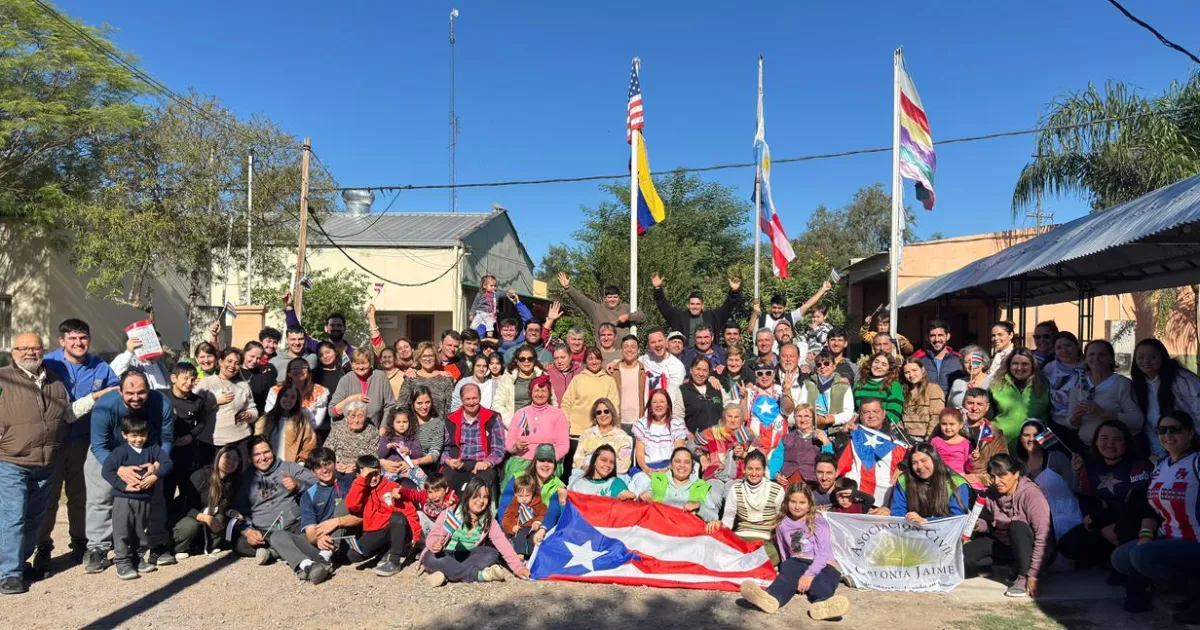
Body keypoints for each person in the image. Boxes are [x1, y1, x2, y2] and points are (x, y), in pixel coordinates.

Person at [38, 320, 118, 570]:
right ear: (62, 341)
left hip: (85, 441)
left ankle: (80, 541)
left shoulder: (100, 367)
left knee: (81, 496)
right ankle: (43, 546)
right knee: (48, 498)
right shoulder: (49, 364)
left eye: (83, 338)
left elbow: (116, 392)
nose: (78, 343)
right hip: (53, 441)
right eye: (72, 338)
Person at [0, 332, 74, 594]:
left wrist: (99, 398)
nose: (31, 352)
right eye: (25, 348)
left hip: (46, 462)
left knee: (34, 517)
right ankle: (8, 573)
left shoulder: (56, 382)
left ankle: (19, 563)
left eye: (36, 348)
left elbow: (69, 413)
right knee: (13, 517)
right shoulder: (3, 379)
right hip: (11, 460)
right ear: (13, 351)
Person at [1111, 410, 1200, 622]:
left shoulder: (1196, 462)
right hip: (1169, 538)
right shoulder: (1161, 466)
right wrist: (1145, 537)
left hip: (1194, 541)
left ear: (1190, 433)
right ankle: (1187, 593)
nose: (1168, 435)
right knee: (1121, 558)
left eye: (1175, 429)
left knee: (1142, 556)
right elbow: (1151, 510)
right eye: (1162, 430)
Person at [84, 370, 175, 575]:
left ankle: (157, 543)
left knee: (154, 492)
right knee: (101, 496)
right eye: (129, 393)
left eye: (141, 392)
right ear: (120, 391)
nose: (136, 398)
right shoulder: (105, 406)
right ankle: (98, 547)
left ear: (149, 390)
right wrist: (117, 468)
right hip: (108, 449)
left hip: (147, 448)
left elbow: (167, 439)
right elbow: (98, 444)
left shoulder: (162, 404)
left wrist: (157, 465)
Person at [739, 482, 849, 620]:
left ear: (809, 504)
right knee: (787, 577)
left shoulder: (819, 522)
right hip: (798, 561)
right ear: (787, 502)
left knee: (824, 581)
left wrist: (809, 575)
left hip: (823, 564)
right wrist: (786, 571)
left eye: (802, 502)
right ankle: (771, 599)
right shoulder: (783, 524)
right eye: (793, 501)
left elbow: (823, 553)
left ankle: (822, 604)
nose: (797, 506)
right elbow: (785, 551)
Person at [1058, 421, 1152, 571]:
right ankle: (1111, 560)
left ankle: (1128, 565)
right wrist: (1100, 525)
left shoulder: (1139, 465)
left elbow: (1139, 503)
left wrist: (1101, 518)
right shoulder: (1091, 466)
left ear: (1126, 442)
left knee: (1124, 530)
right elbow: (1087, 499)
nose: (1110, 444)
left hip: (1133, 521)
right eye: (1104, 438)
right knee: (1069, 543)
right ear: (1095, 441)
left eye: (1117, 439)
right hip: (1104, 521)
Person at [964, 454, 1055, 598]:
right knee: (965, 555)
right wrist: (978, 524)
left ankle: (1022, 576)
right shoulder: (990, 494)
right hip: (1008, 545)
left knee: (1017, 526)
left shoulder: (1031, 494)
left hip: (1037, 549)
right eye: (993, 476)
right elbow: (989, 526)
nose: (997, 481)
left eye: (1002, 475)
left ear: (1016, 473)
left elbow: (1044, 537)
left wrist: (1033, 574)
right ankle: (1015, 564)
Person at [261, 448, 352, 584]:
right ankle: (309, 566)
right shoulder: (308, 495)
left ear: (335, 463)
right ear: (313, 472)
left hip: (345, 542)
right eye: (318, 467)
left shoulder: (348, 484)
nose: (324, 470)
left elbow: (359, 517)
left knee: (343, 506)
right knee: (277, 535)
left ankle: (321, 560)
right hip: (321, 546)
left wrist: (336, 522)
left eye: (327, 463)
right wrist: (318, 539)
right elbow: (310, 532)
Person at [102, 415, 173, 579]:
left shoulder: (152, 449)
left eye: (142, 435)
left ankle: (138, 558)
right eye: (134, 435)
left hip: (145, 498)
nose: (139, 439)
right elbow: (107, 471)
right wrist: (123, 486)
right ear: (124, 435)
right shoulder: (119, 452)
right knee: (122, 530)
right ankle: (122, 561)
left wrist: (155, 476)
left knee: (140, 530)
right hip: (123, 498)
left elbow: (167, 463)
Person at [421, 477, 529, 586]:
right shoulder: (451, 512)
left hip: (467, 556)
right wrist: (434, 544)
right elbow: (433, 536)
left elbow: (504, 545)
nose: (481, 501)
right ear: (468, 495)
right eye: (476, 496)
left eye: (485, 497)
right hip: (446, 554)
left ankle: (447, 573)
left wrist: (518, 568)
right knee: (430, 557)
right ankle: (478, 575)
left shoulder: (489, 521)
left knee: (492, 554)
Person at [228, 436, 316, 562]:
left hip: (292, 527)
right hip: (264, 533)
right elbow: (239, 511)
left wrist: (298, 484)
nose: (263, 458)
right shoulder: (245, 479)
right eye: (257, 454)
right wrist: (249, 532)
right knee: (239, 544)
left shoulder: (289, 468)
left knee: (310, 535)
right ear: (249, 458)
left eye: (266, 452)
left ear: (273, 451)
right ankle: (282, 549)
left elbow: (318, 485)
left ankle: (273, 552)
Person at [344, 455, 421, 578]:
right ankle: (385, 551)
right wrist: (361, 481)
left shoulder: (392, 487)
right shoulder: (361, 488)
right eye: (369, 475)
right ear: (360, 475)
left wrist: (415, 536)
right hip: (375, 533)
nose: (373, 478)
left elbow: (409, 512)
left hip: (394, 530)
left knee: (398, 517)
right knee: (353, 555)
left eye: (376, 473)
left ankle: (394, 561)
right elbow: (352, 506)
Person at [708, 451, 784, 564]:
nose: (754, 473)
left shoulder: (777, 490)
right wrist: (718, 524)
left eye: (758, 469)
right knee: (717, 548)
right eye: (750, 469)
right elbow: (728, 520)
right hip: (741, 538)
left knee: (772, 553)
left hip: (766, 540)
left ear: (764, 470)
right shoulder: (735, 489)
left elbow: (781, 522)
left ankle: (745, 566)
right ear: (744, 469)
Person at [1130, 338, 1200, 461]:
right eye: (1140, 357)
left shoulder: (1183, 380)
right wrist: (1159, 453)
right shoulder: (1138, 384)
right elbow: (1149, 424)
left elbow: (1197, 410)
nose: (1146, 361)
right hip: (1162, 449)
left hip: (1190, 444)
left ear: (1163, 357)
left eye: (1153, 357)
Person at [1069, 340, 1143, 449]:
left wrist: (1102, 412)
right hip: (1086, 448)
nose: (1096, 358)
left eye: (1101, 354)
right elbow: (1071, 423)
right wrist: (1075, 417)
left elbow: (1137, 421)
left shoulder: (1122, 384)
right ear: (1085, 358)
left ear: (1111, 358)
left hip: (1115, 450)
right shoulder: (1078, 384)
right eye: (1091, 354)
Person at [170, 445, 240, 559]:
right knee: (190, 526)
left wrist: (230, 512)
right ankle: (177, 547)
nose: (231, 462)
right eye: (227, 457)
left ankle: (203, 545)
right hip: (186, 515)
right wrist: (204, 517)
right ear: (218, 457)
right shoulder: (201, 475)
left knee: (221, 519)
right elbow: (183, 505)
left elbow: (223, 506)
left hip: (207, 515)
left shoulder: (233, 482)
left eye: (235, 459)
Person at [835, 398, 905, 505]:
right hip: (859, 497)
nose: (871, 416)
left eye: (876, 411)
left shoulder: (896, 433)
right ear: (860, 415)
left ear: (883, 412)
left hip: (889, 497)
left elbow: (915, 450)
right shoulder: (852, 432)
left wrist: (903, 465)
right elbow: (840, 458)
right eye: (866, 412)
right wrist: (843, 434)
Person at [162, 362, 208, 520]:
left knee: (187, 493)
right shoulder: (161, 396)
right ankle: (162, 529)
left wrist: (191, 436)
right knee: (164, 493)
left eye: (192, 379)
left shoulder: (197, 401)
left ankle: (182, 526)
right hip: (165, 453)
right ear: (173, 378)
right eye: (185, 378)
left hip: (187, 454)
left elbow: (202, 422)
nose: (189, 382)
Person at [561, 347, 620, 467]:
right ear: (585, 361)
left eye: (597, 358)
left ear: (601, 360)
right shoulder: (578, 379)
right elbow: (566, 403)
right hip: (576, 433)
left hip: (599, 434)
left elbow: (614, 406)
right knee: (575, 470)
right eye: (590, 359)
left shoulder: (609, 380)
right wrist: (566, 423)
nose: (594, 362)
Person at [503, 376, 569, 483]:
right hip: (522, 460)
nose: (539, 394)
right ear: (530, 392)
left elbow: (564, 445)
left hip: (548, 462)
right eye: (536, 390)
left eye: (543, 390)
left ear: (549, 393)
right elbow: (509, 444)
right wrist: (516, 446)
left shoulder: (557, 414)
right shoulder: (520, 413)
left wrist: (546, 460)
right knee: (514, 483)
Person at [441, 383, 505, 493]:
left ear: (480, 398)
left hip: (482, 463)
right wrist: (448, 461)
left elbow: (499, 449)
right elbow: (444, 448)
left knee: (480, 486)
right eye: (467, 399)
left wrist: (487, 462)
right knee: (446, 481)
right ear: (461, 400)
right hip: (459, 463)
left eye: (474, 398)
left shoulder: (493, 418)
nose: (471, 402)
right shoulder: (450, 419)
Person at [193, 347, 257, 455]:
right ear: (221, 362)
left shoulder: (243, 385)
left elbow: (252, 408)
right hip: (212, 441)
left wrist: (249, 415)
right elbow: (194, 409)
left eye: (237, 363)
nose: (232, 366)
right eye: (229, 361)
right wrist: (215, 401)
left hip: (240, 439)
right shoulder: (206, 383)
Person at [889, 443, 972, 522]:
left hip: (945, 533)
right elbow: (897, 512)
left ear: (934, 459)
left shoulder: (957, 483)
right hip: (911, 530)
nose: (919, 466)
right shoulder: (904, 480)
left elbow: (957, 518)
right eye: (914, 463)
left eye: (924, 460)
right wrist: (909, 519)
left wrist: (927, 522)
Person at [651, 272, 742, 343]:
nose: (695, 307)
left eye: (698, 304)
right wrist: (658, 289)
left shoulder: (713, 317)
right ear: (688, 305)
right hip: (686, 356)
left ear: (702, 306)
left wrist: (734, 292)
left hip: (708, 357)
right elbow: (664, 307)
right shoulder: (679, 317)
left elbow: (727, 307)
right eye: (692, 304)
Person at [990, 348, 1051, 451]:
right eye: (1015, 363)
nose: (1019, 368)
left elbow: (1051, 419)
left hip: (1034, 449)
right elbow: (986, 416)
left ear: (1032, 366)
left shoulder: (1044, 385)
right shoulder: (996, 385)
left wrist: (1044, 445)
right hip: (1001, 447)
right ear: (1009, 365)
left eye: (1025, 364)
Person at [557, 272, 645, 339]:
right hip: (603, 356)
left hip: (624, 356)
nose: (612, 299)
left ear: (619, 298)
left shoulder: (626, 308)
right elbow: (581, 300)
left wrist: (628, 317)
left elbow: (642, 317)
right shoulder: (596, 309)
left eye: (615, 297)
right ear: (605, 298)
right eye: (610, 297)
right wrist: (568, 288)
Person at [641, 447, 719, 521]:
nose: (682, 465)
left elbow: (715, 517)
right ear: (671, 465)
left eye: (687, 462)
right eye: (678, 461)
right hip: (658, 528)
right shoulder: (658, 479)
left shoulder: (701, 486)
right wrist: (642, 498)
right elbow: (642, 503)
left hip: (686, 531)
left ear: (692, 467)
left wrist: (699, 506)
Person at [697, 405, 754, 500]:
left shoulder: (748, 433)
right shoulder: (712, 432)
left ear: (741, 419)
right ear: (723, 418)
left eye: (736, 417)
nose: (733, 420)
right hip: (714, 476)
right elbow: (691, 445)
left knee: (733, 497)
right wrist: (702, 456)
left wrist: (744, 455)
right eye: (730, 416)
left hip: (738, 478)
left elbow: (761, 456)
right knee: (712, 497)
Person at [283, 293, 355, 367]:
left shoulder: (354, 353)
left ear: (344, 328)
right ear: (326, 328)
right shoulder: (317, 346)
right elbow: (295, 331)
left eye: (339, 325)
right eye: (332, 325)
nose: (336, 328)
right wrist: (290, 307)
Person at [330, 348, 395, 428]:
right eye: (357, 363)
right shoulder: (345, 380)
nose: (361, 367)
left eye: (364, 363)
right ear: (352, 364)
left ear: (370, 363)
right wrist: (351, 399)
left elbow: (390, 405)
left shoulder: (380, 377)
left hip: (375, 432)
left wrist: (383, 427)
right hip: (349, 433)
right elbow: (332, 412)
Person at [263, 358, 331, 434]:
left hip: (307, 434)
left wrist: (297, 431)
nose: (299, 371)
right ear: (289, 373)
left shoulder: (320, 392)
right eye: (295, 368)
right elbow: (269, 414)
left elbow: (316, 422)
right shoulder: (276, 390)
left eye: (303, 368)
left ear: (308, 372)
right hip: (278, 431)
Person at [254, 385, 318, 464]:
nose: (288, 400)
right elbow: (256, 443)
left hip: (291, 467)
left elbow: (309, 445)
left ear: (296, 401)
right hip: (267, 465)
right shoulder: (265, 420)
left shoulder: (301, 422)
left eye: (293, 397)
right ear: (279, 397)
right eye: (285, 396)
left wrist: (300, 463)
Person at [571, 399, 633, 479]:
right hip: (587, 472)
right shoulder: (587, 434)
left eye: (606, 411)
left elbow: (625, 464)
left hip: (613, 474)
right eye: (599, 412)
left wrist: (603, 469)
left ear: (612, 413)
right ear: (595, 416)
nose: (603, 415)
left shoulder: (623, 437)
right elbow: (578, 458)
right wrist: (589, 469)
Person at [632, 390, 688, 478]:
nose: (658, 405)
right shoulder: (642, 424)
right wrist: (646, 469)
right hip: (647, 468)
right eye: (654, 402)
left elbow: (678, 454)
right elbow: (640, 454)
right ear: (650, 406)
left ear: (668, 405)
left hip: (671, 468)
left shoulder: (676, 425)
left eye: (662, 401)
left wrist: (666, 469)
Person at [961, 389, 1010, 489]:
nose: (974, 408)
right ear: (963, 404)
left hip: (982, 486)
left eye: (979, 404)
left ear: (987, 407)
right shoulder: (950, 426)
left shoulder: (995, 433)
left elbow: (1001, 467)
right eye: (970, 403)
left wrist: (980, 479)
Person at [798, 351, 855, 435]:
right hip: (811, 431)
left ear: (834, 366)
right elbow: (801, 408)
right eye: (819, 365)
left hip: (835, 432)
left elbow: (848, 413)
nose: (822, 367)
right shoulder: (808, 385)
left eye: (827, 363)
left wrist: (829, 419)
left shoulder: (844, 387)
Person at [395, 342, 455, 419]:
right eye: (424, 356)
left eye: (431, 356)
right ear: (419, 358)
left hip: (439, 427)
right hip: (414, 427)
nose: (428, 359)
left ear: (436, 357)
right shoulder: (411, 378)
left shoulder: (445, 379)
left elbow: (450, 407)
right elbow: (401, 405)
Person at [777, 404, 833, 486]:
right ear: (794, 418)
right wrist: (776, 475)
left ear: (813, 418)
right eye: (799, 416)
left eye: (807, 416)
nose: (803, 420)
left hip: (811, 484)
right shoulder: (786, 438)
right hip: (788, 482)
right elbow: (777, 458)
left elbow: (829, 461)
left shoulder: (821, 439)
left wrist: (825, 442)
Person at [493, 345, 547, 429]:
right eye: (522, 359)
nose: (526, 361)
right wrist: (512, 424)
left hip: (540, 425)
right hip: (515, 425)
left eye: (530, 359)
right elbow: (497, 405)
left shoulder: (543, 376)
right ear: (517, 361)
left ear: (534, 360)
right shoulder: (507, 378)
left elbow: (552, 401)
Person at [1044, 332, 1086, 435]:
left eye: (1068, 345)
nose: (1064, 351)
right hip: (1058, 424)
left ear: (1077, 345)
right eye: (1059, 348)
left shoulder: (1089, 365)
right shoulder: (1049, 368)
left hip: (1086, 423)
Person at [324, 401, 381, 474]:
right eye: (352, 416)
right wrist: (335, 465)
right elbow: (326, 451)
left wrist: (356, 466)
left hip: (361, 470)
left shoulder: (372, 432)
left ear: (365, 417)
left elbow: (373, 457)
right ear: (346, 417)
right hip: (338, 469)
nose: (356, 420)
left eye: (360, 416)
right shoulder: (337, 429)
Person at [911, 319, 966, 396]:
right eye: (932, 336)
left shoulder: (959, 360)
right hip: (927, 406)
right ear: (927, 337)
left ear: (948, 336)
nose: (936, 339)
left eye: (940, 335)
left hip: (951, 406)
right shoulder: (919, 359)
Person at [501, 474, 549, 558]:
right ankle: (520, 555)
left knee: (534, 539)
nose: (524, 499)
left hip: (532, 528)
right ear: (515, 494)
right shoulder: (514, 505)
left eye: (527, 495)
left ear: (533, 493)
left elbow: (544, 513)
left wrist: (537, 522)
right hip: (519, 528)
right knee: (519, 536)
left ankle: (533, 555)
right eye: (520, 496)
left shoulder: (538, 503)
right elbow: (507, 518)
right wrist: (512, 527)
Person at [854, 352, 904, 431]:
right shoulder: (859, 384)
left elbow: (894, 414)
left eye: (884, 364)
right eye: (876, 362)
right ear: (871, 363)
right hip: (861, 430)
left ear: (889, 369)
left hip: (885, 431)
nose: (878, 366)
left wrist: (874, 428)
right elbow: (854, 411)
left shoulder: (894, 385)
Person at [900, 358, 946, 441]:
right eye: (907, 372)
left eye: (914, 370)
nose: (911, 375)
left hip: (926, 437)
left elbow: (936, 416)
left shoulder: (933, 389)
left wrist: (929, 438)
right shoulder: (904, 391)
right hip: (906, 438)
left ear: (922, 369)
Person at [680, 356, 724, 439]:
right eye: (698, 369)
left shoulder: (716, 387)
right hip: (697, 441)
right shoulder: (682, 391)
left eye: (705, 370)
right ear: (690, 370)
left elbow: (728, 409)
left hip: (718, 439)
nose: (701, 374)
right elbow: (677, 417)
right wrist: (686, 432)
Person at [378, 408, 425, 486]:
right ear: (392, 423)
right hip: (391, 468)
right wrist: (387, 447)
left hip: (408, 467)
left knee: (424, 480)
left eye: (405, 422)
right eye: (398, 422)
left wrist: (409, 451)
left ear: (409, 422)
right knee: (382, 484)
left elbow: (419, 453)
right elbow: (380, 454)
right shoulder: (387, 437)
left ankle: (425, 496)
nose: (402, 425)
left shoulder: (412, 437)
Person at [408, 386, 445, 477]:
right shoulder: (405, 421)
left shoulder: (437, 424)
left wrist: (413, 462)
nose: (424, 407)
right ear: (412, 404)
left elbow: (434, 454)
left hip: (425, 469)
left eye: (427, 402)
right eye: (419, 403)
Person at [612, 335, 647, 432]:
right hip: (618, 423)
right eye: (626, 346)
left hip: (639, 423)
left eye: (633, 346)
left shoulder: (644, 370)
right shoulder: (613, 371)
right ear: (621, 350)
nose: (629, 349)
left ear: (638, 350)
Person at [931, 407, 971, 475]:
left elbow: (968, 466)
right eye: (944, 424)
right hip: (940, 475)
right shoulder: (935, 441)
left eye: (952, 424)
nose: (948, 427)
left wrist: (973, 459)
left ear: (961, 425)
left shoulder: (966, 444)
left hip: (959, 477)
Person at [986, 322, 1016, 386]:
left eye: (1000, 334)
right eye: (993, 335)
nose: (996, 338)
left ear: (1011, 335)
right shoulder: (996, 355)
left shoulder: (1015, 356)